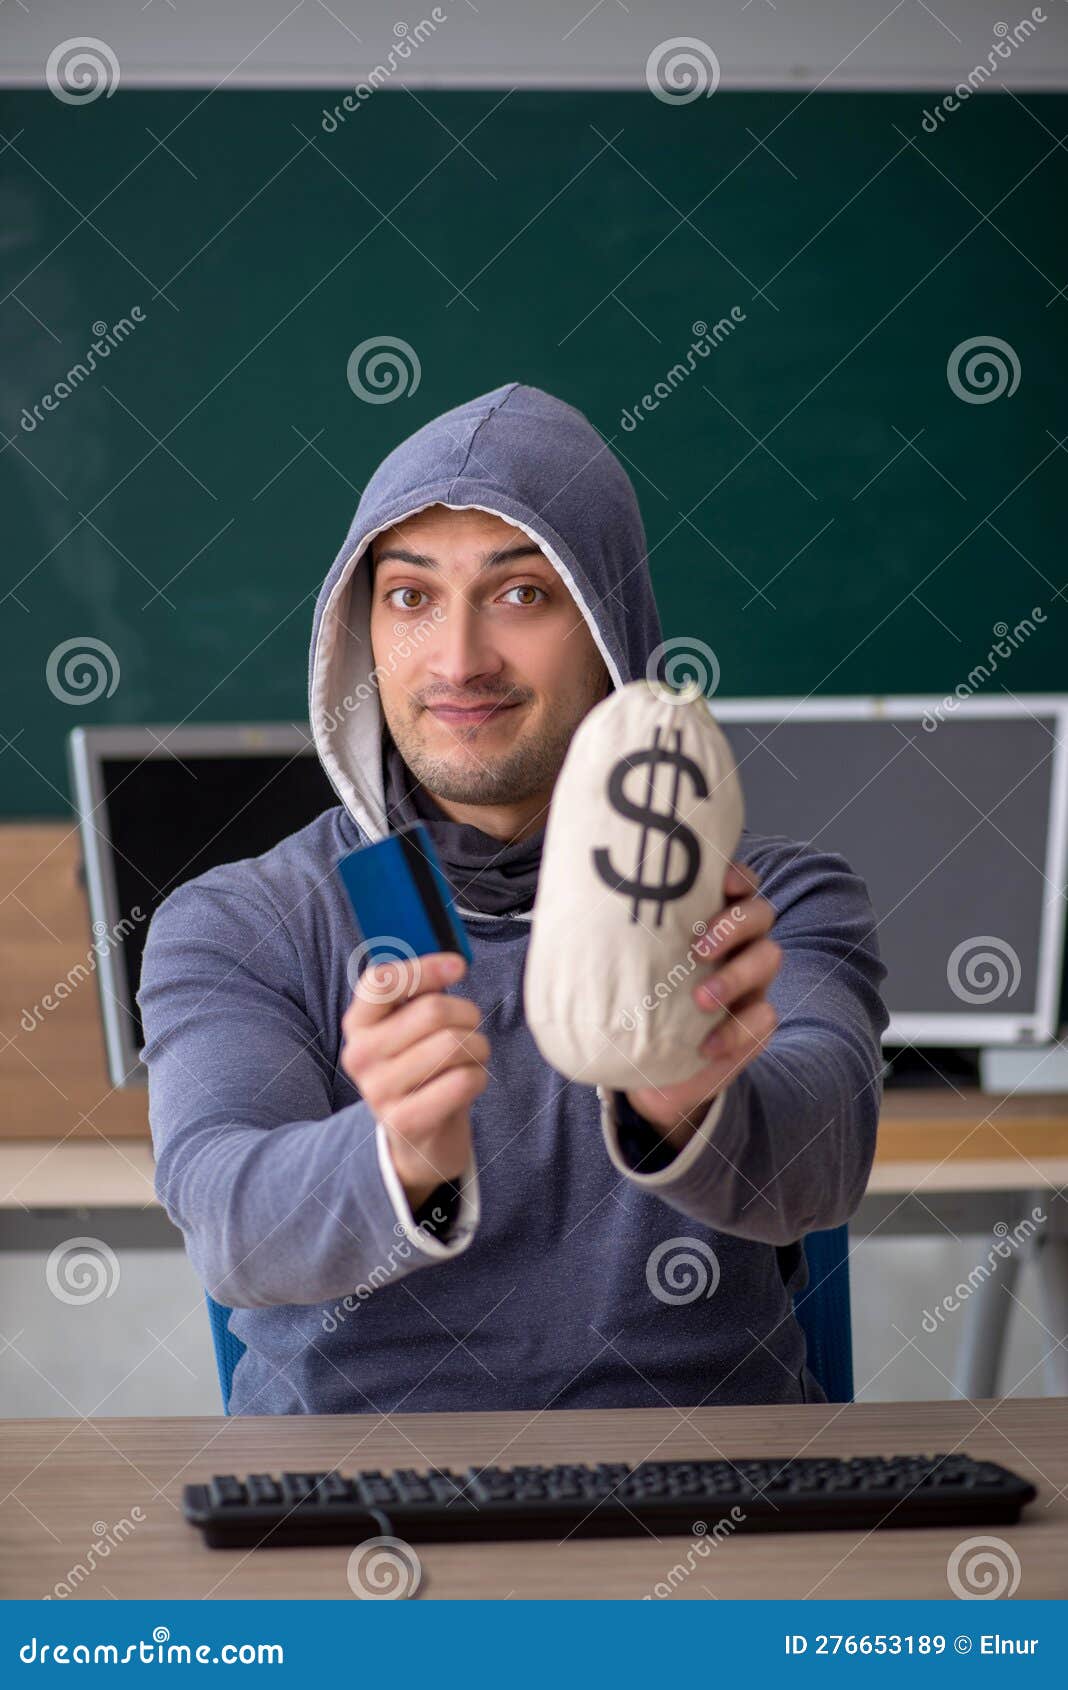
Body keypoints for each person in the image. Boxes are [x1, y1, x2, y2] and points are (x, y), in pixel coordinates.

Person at [138, 381, 889, 1415]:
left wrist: (687, 1097)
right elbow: (230, 1218)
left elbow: (825, 1162)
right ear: (361, 635)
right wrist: (395, 1155)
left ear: (607, 623)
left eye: (521, 594)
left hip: (710, 1508)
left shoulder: (768, 900)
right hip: (353, 1516)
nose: (458, 659)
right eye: (410, 597)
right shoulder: (240, 924)